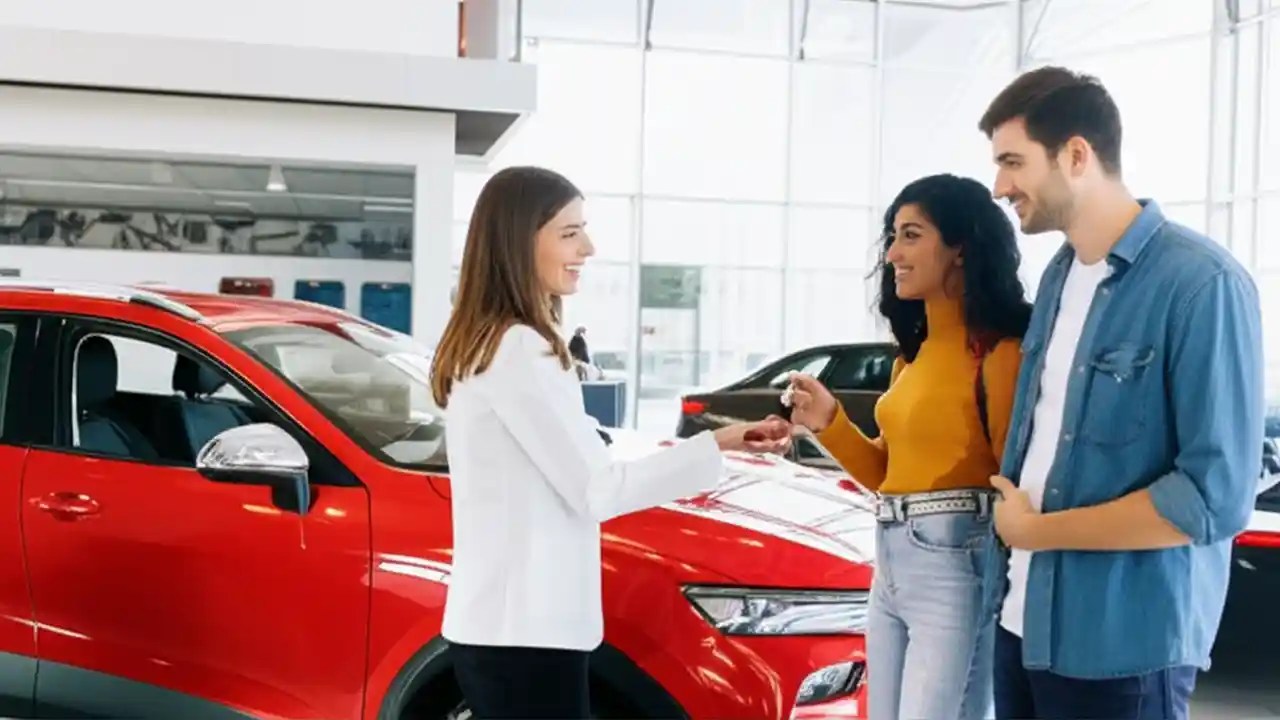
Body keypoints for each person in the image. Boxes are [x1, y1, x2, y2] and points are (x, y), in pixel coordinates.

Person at [427, 165, 792, 719]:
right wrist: (715, 446)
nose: (588, 248)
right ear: (519, 241)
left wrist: (718, 441)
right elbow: (596, 490)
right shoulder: (522, 350)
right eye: (570, 232)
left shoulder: (490, 343)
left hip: (506, 628)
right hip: (527, 632)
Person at [977, 66, 1264, 720]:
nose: (1000, 186)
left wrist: (1039, 532)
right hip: (1023, 623)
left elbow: (1212, 498)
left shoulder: (1203, 285)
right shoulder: (1057, 278)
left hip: (1124, 649)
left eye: (1013, 162)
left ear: (1076, 156)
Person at [788, 173, 1032, 720]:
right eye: (893, 236)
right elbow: (886, 475)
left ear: (961, 248)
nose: (893, 252)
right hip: (891, 559)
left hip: (957, 559)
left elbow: (1017, 483)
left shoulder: (1000, 354)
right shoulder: (911, 361)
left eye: (912, 235)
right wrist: (830, 422)